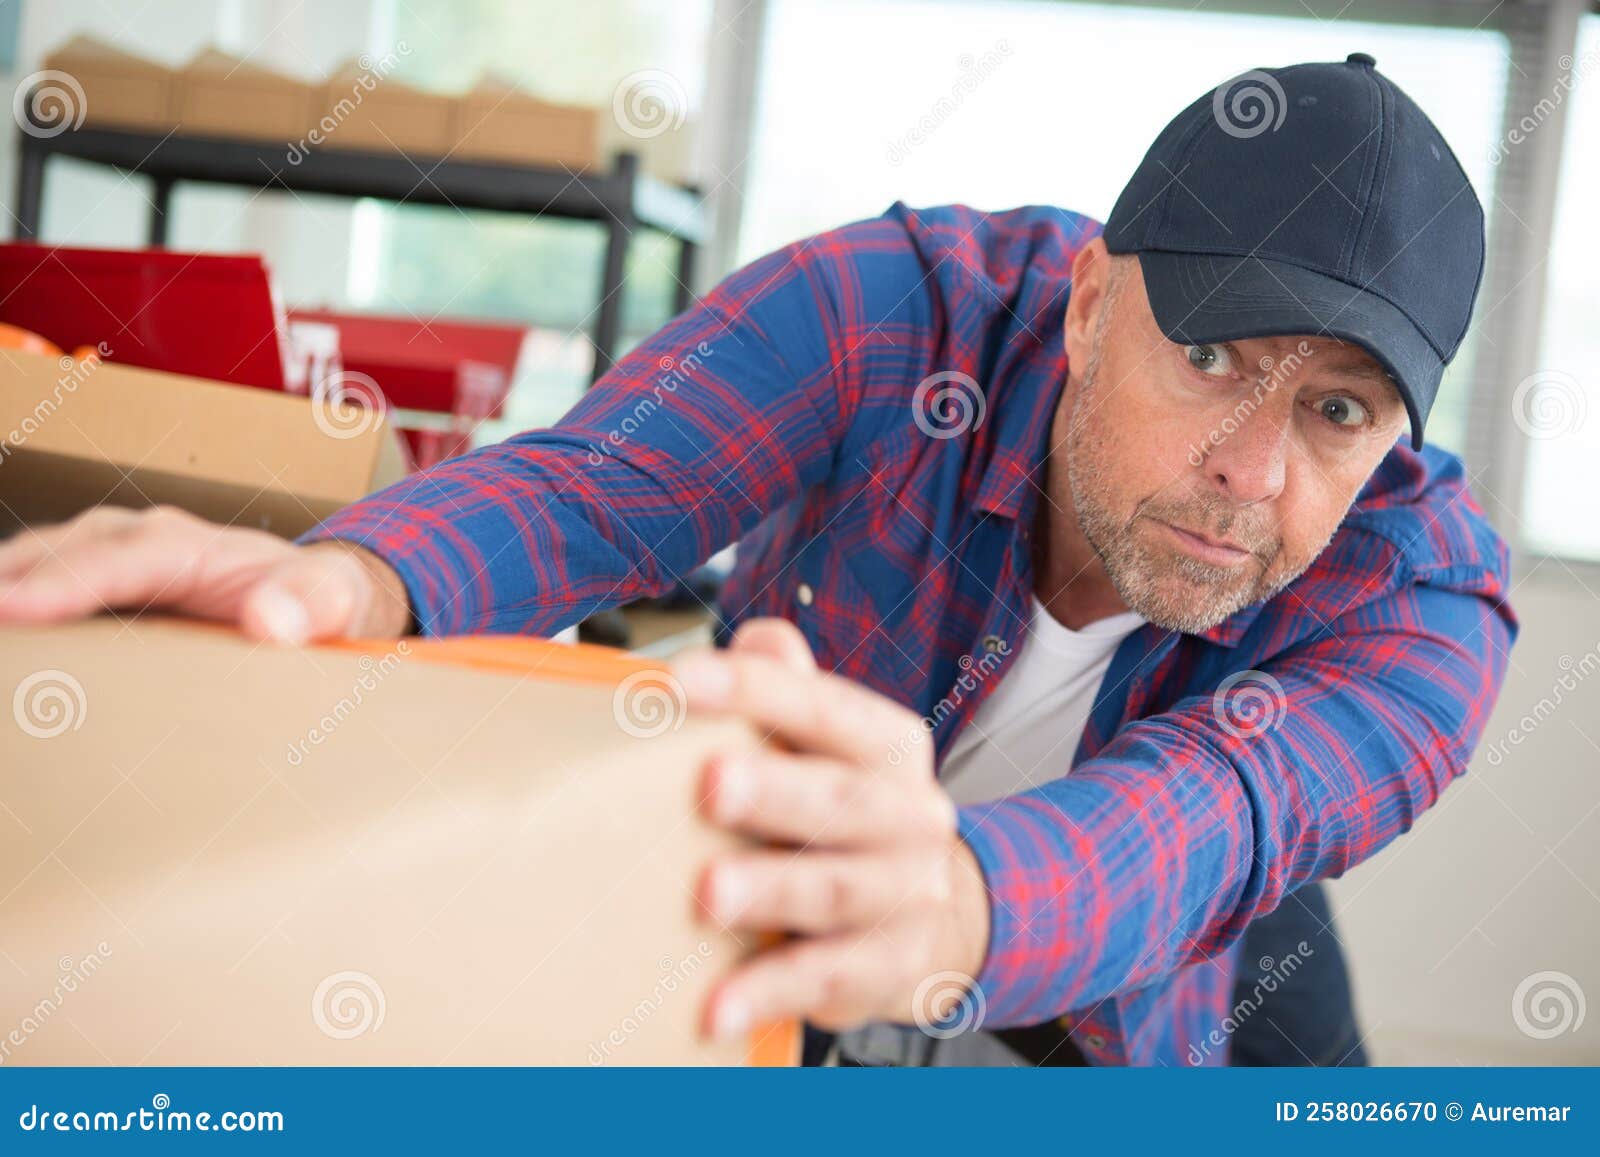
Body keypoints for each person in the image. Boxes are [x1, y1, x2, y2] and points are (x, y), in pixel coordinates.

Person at [0, 55, 1516, 1065]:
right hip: (800, 873)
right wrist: (343, 578)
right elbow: (603, 487)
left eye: (1336, 409)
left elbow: (1220, 811)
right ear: (1087, 310)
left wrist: (962, 899)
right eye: (1209, 356)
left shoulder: (1427, 599)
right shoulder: (903, 312)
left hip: (1171, 955)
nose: (1254, 470)